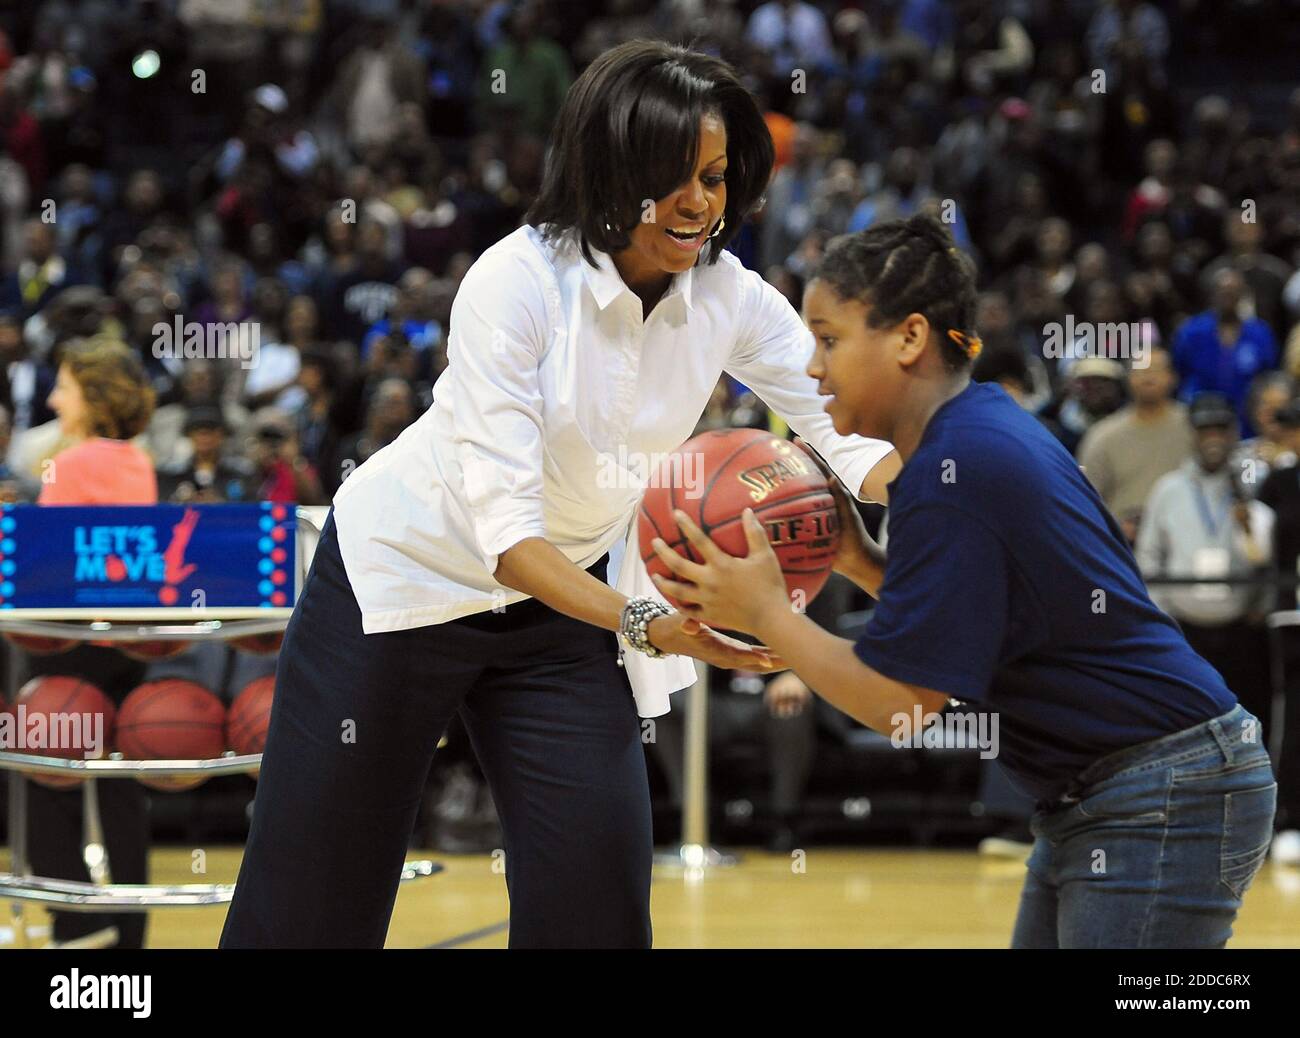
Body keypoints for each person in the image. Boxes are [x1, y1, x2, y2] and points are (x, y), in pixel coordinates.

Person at [219, 41, 899, 950]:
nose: (698, 203)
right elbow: (508, 541)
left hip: (566, 605)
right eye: (670, 178)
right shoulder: (515, 283)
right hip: (405, 584)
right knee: (311, 907)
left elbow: (849, 430)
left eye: (714, 177)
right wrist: (651, 625)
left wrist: (953, 482)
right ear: (609, 172)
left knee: (597, 899)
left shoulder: (730, 294)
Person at [650, 213, 1276, 948]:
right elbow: (972, 620)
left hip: (1160, 788)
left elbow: (899, 703)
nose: (813, 368)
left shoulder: (955, 473)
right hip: (1125, 786)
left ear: (909, 338)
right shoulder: (974, 430)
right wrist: (859, 561)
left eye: (829, 340)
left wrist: (769, 615)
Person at [25, 337, 157, 948]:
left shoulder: (75, 462)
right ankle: (128, 932)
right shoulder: (137, 458)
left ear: (94, 396)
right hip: (128, 642)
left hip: (73, 640)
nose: (54, 399)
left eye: (64, 388)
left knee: (45, 770)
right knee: (119, 785)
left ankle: (77, 920)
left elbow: (48, 562)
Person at [1135, 392, 1275, 730]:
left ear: (1233, 432)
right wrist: (1163, 615)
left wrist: (1264, 603)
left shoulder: (1252, 484)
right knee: (1187, 721)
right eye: (1205, 430)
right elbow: (1149, 556)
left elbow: (1270, 550)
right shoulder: (1168, 489)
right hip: (1184, 630)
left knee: (1249, 719)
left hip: (1243, 629)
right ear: (1193, 435)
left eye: (1221, 429)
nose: (1214, 438)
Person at [1077, 347, 1193, 542]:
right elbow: (1084, 500)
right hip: (1123, 542)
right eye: (1141, 370)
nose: (1148, 377)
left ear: (1172, 377)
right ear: (1128, 378)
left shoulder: (1192, 428)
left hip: (1186, 538)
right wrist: (1113, 528)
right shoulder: (1102, 436)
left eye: (1155, 370)